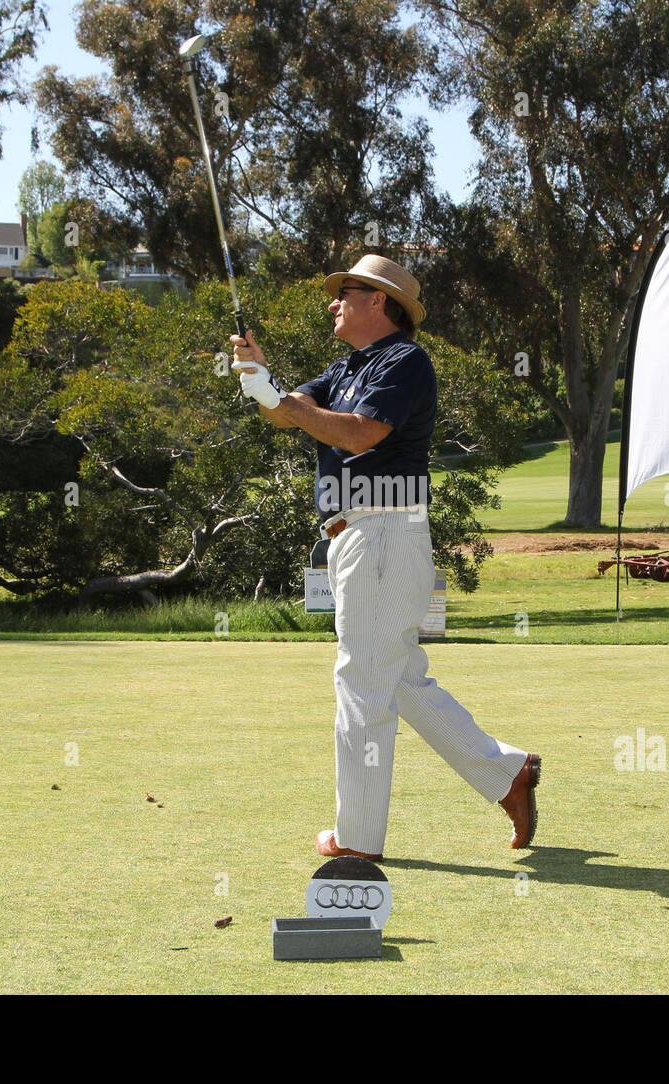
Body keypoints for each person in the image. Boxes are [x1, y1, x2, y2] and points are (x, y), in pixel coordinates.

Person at [229, 254, 539, 860]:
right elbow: (288, 414)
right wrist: (256, 376)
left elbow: (357, 434)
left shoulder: (405, 361)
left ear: (379, 300)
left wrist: (270, 392)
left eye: (344, 293)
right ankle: (507, 774)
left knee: (361, 682)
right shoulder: (345, 368)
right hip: (362, 534)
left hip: (382, 530)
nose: (332, 303)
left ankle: (359, 839)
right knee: (394, 678)